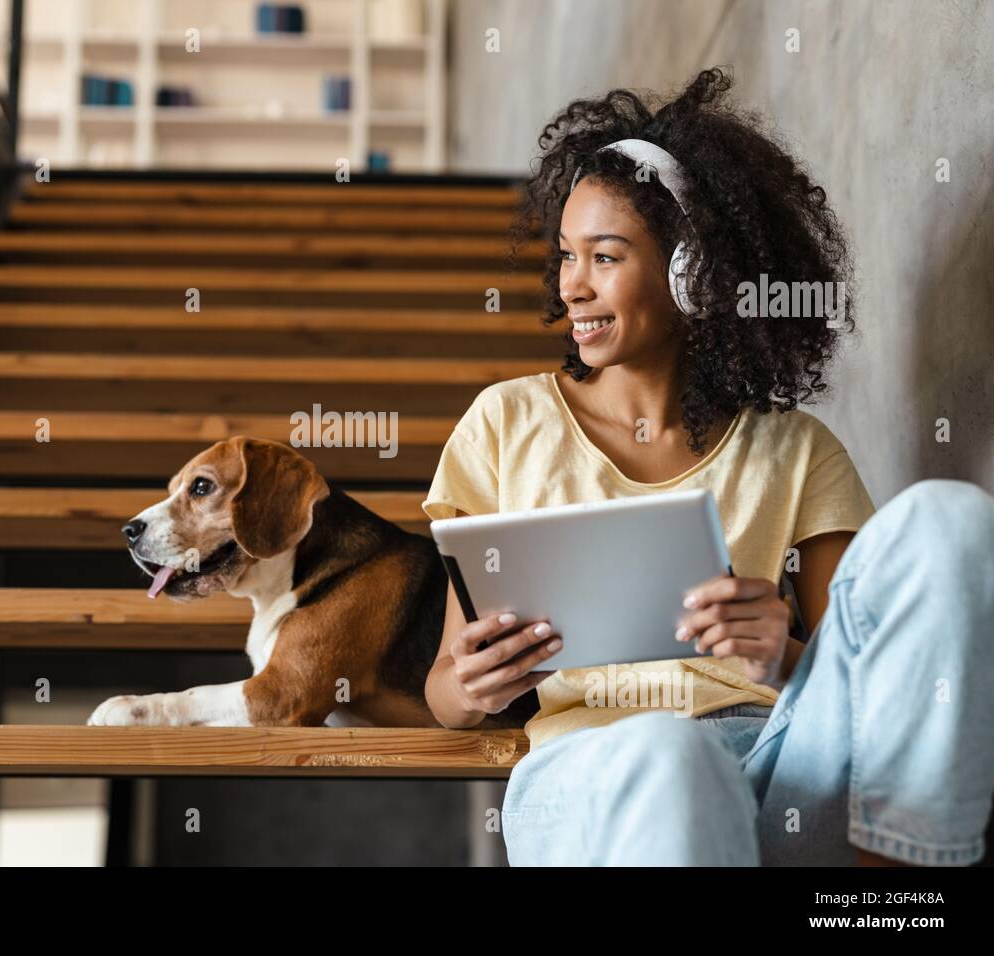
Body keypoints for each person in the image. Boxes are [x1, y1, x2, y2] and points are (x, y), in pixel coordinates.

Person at [421, 67, 994, 866]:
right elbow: (445, 694)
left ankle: (894, 899)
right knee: (670, 756)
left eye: (606, 256)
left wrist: (780, 656)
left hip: (777, 777)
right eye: (565, 257)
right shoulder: (505, 424)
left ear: (693, 273)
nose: (572, 286)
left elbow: (866, 693)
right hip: (597, 781)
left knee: (952, 520)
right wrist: (475, 687)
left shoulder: (795, 450)